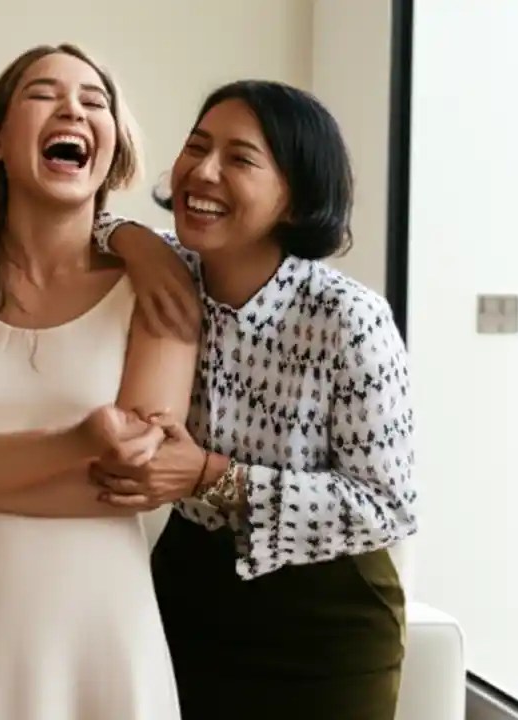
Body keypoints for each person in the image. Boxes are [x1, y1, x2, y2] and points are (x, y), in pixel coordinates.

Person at [0, 44, 196, 720]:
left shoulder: (158, 284)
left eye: (95, 101)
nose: (74, 109)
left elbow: (131, 486)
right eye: (43, 94)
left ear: (113, 148)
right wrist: (77, 442)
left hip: (102, 624)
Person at [94, 80, 418, 719]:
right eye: (196, 146)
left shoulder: (349, 319)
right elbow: (86, 221)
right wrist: (129, 238)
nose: (202, 172)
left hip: (328, 619)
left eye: (240, 159)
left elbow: (387, 506)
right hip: (189, 591)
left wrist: (213, 479)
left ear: (295, 196)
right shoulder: (167, 269)